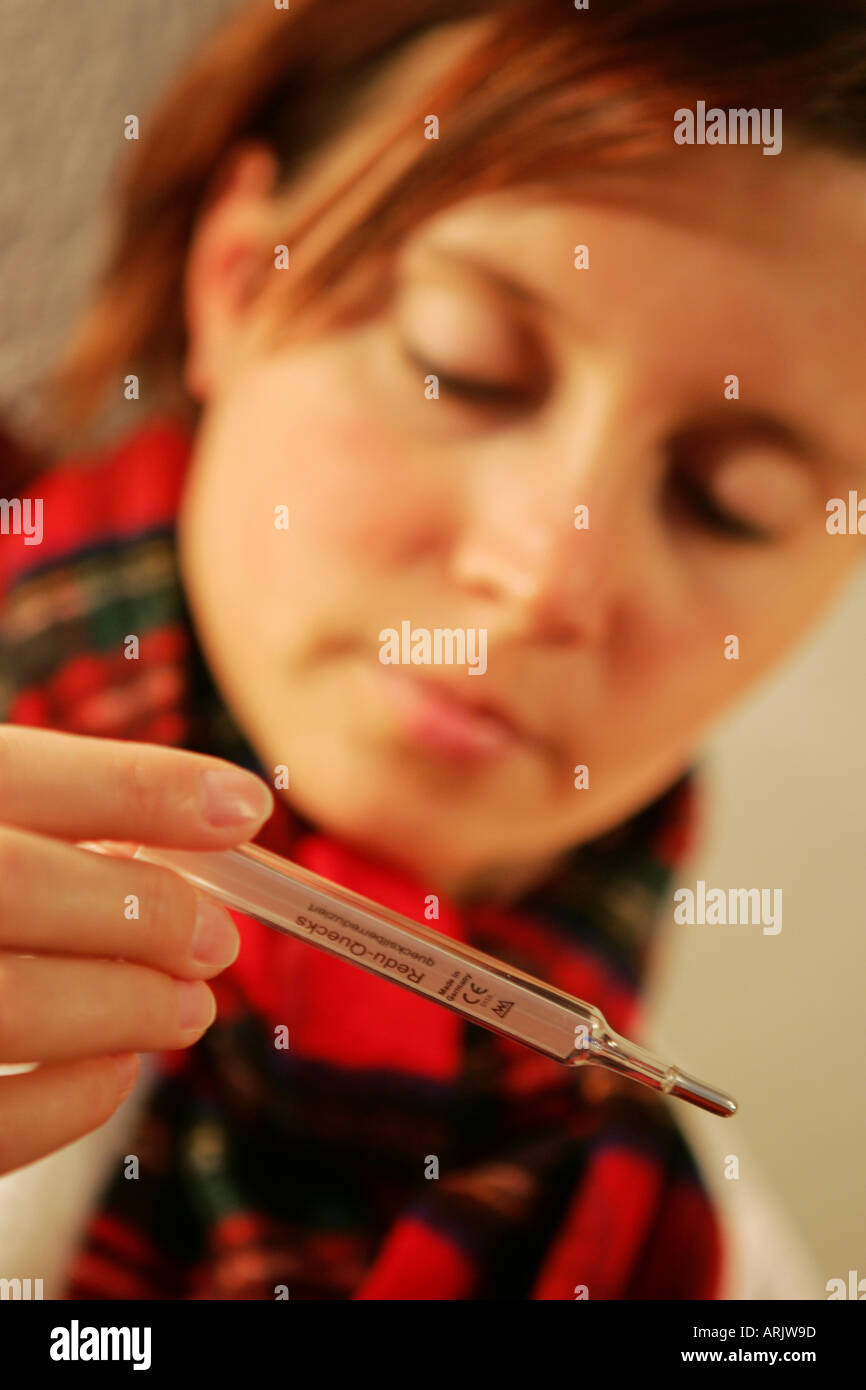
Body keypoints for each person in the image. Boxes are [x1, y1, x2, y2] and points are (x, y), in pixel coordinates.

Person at [0, 0, 863, 1299]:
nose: (540, 579)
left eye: (723, 500)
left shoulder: (687, 1264)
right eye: (464, 368)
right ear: (238, 277)